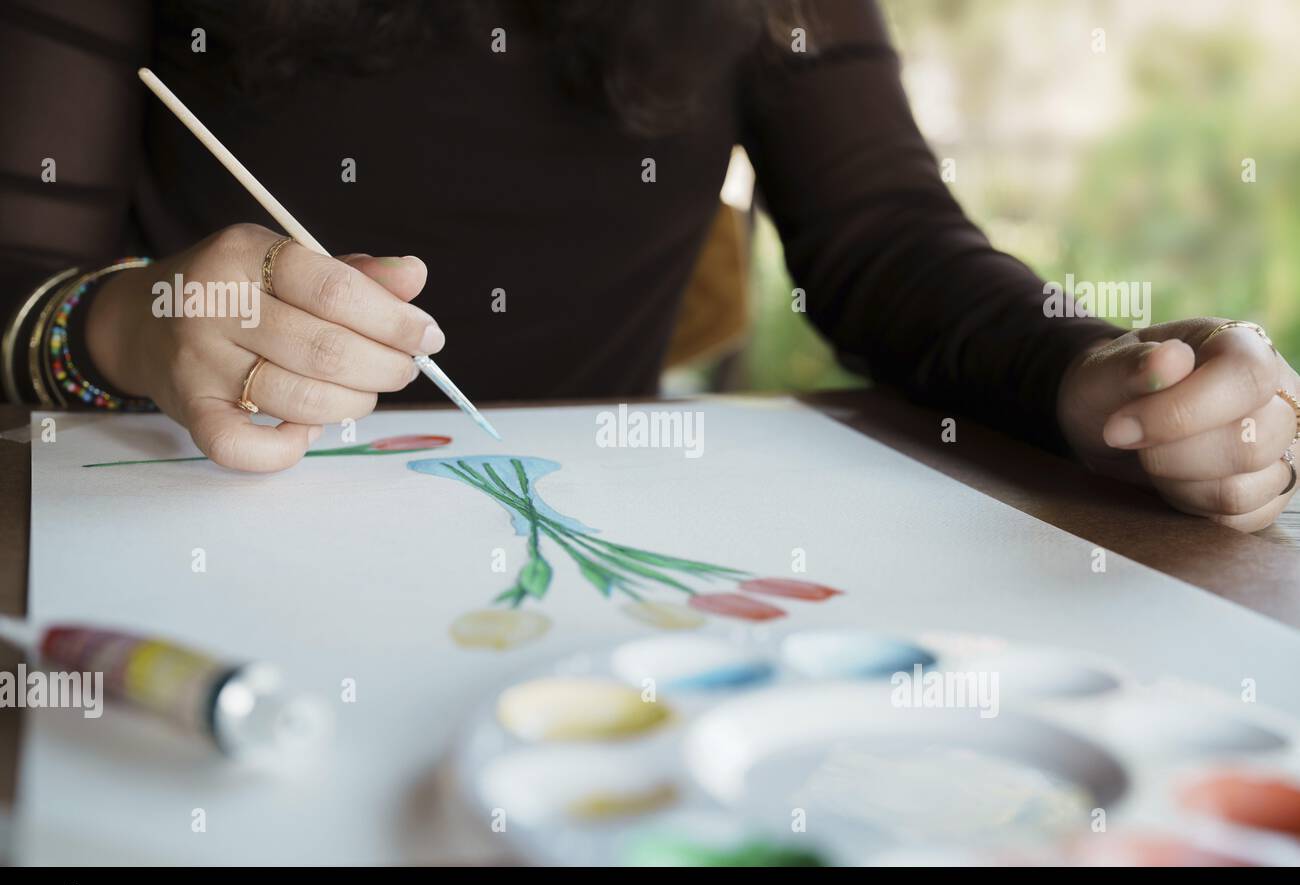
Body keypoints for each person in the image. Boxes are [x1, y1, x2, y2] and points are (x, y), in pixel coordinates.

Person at [2, 0, 1297, 530]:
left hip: (589, 544)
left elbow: (885, 240)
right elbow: (18, 288)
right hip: (201, 523)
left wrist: (1098, 376)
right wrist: (129, 326)